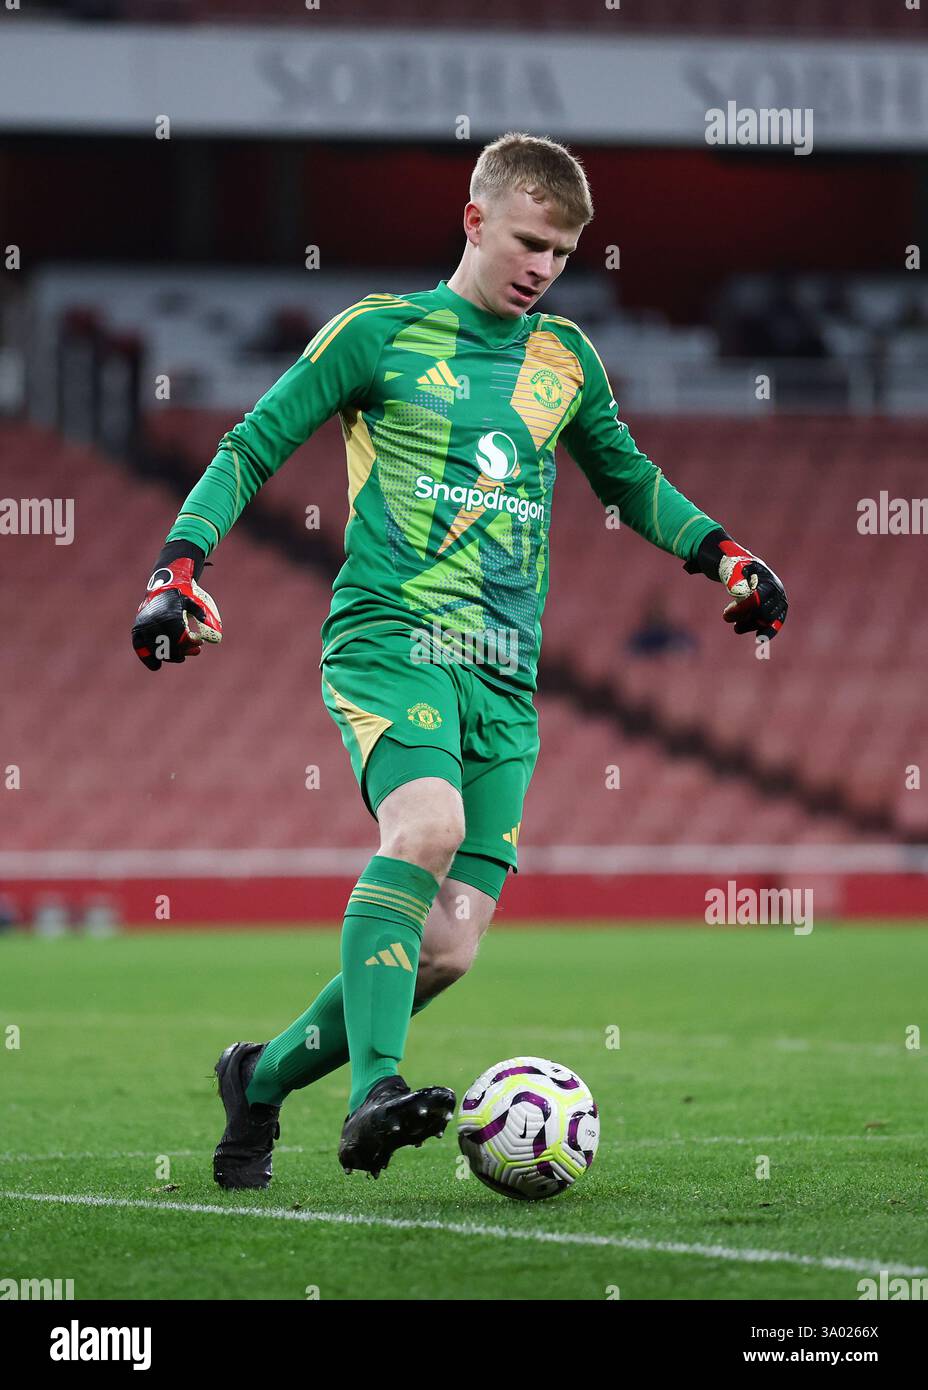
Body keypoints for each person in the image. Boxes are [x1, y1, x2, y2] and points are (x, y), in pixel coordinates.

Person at [131, 132, 787, 1188]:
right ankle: (373, 1093)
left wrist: (725, 555)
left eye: (563, 253)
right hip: (393, 639)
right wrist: (178, 565)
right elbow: (251, 443)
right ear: (474, 219)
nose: (542, 267)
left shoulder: (564, 361)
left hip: (503, 678)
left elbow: (628, 481)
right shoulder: (379, 336)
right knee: (424, 825)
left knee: (446, 949)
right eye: (529, 241)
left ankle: (255, 1081)